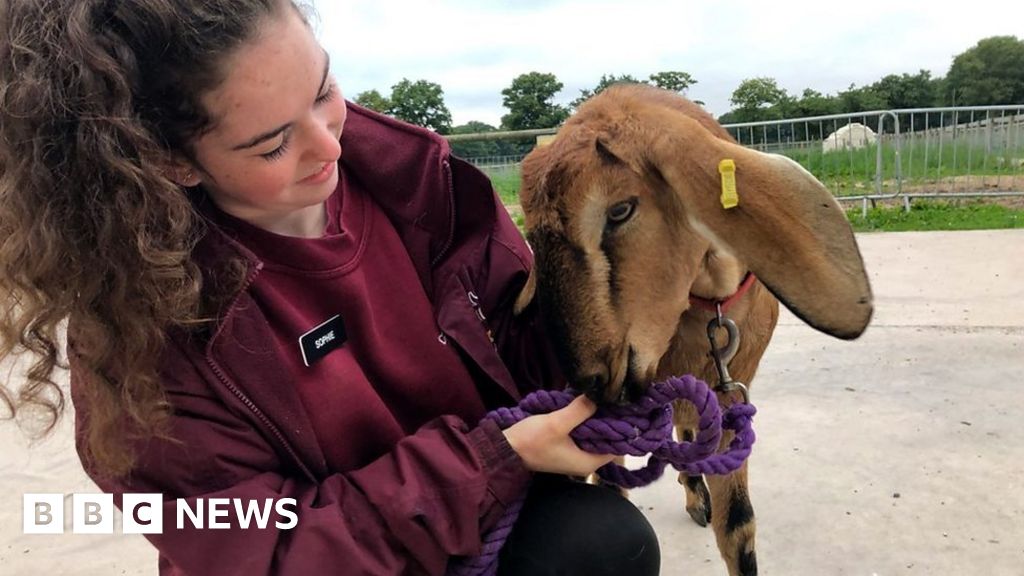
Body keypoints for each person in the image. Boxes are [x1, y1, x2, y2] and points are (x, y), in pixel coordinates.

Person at [0, 1, 660, 574]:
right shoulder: (139, 334)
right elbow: (266, 552)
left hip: (480, 513)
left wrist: (630, 334)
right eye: (271, 145)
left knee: (602, 543)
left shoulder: (419, 183)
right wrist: (491, 463)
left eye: (322, 90)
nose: (329, 148)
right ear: (170, 161)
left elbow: (525, 352)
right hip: (342, 554)